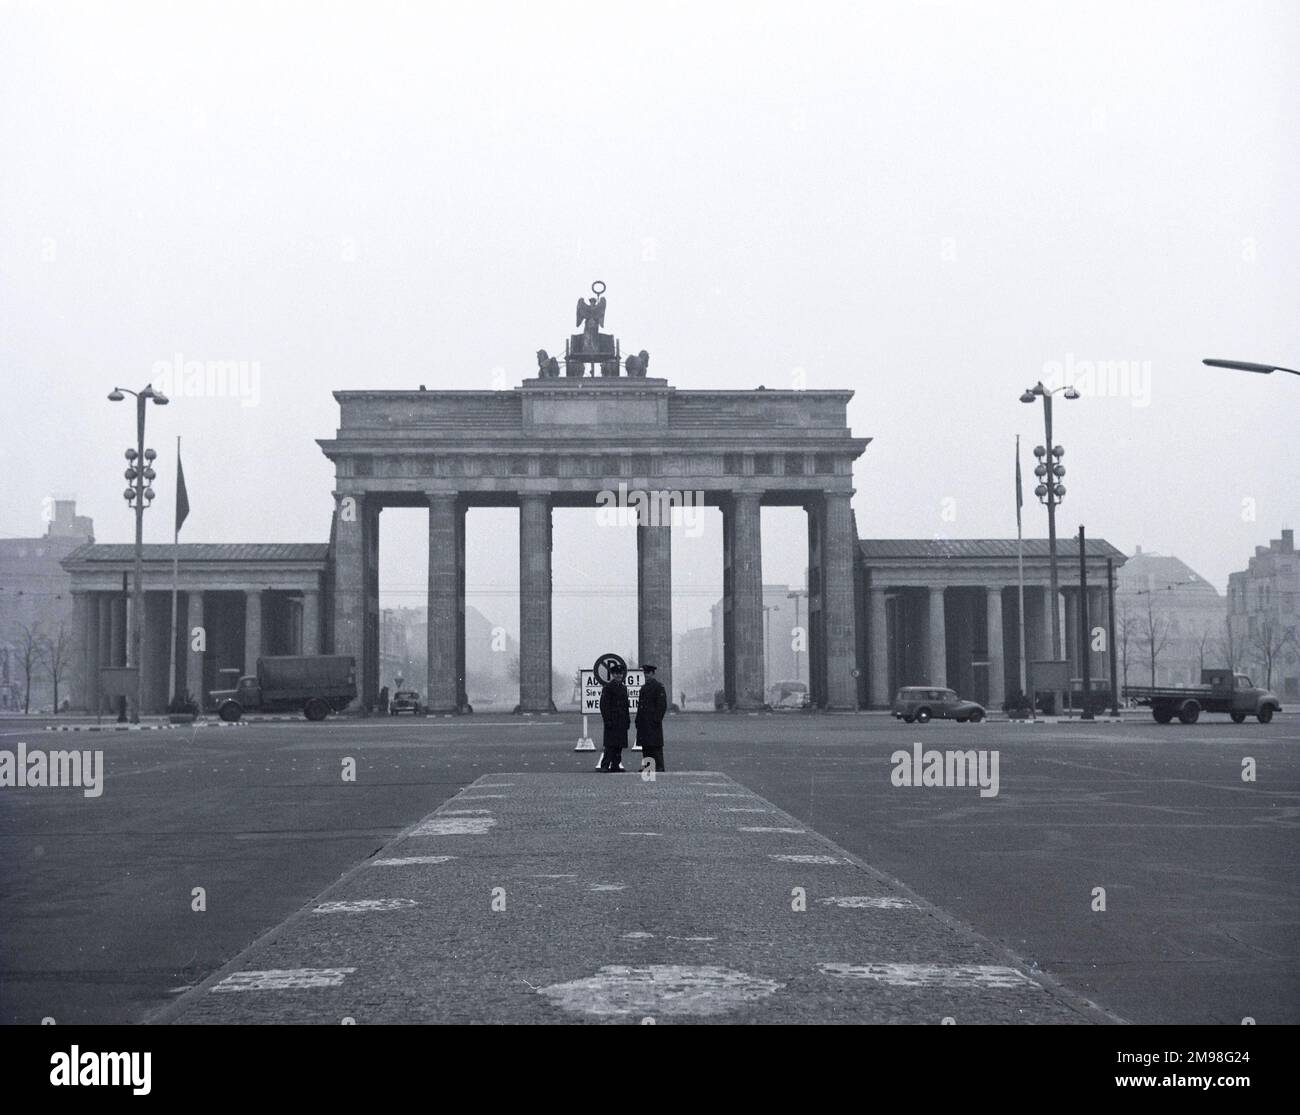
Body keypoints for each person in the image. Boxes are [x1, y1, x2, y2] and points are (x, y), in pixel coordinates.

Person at [635, 664, 669, 772]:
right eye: (645, 673)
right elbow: (640, 706)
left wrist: (656, 719)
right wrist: (638, 719)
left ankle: (659, 766)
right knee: (646, 746)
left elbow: (662, 705)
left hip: (653, 722)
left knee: (655, 745)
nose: (646, 675)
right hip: (644, 722)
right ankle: (649, 766)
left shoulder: (659, 687)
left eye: (648, 673)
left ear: (653, 674)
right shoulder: (643, 688)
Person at [598, 665, 630, 772]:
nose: (619, 676)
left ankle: (615, 765)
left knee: (619, 745)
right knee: (610, 745)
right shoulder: (607, 688)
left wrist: (627, 720)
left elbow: (626, 706)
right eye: (616, 674)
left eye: (620, 674)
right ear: (612, 675)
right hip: (612, 720)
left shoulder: (624, 688)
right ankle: (605, 765)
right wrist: (607, 720)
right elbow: (604, 706)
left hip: (621, 721)